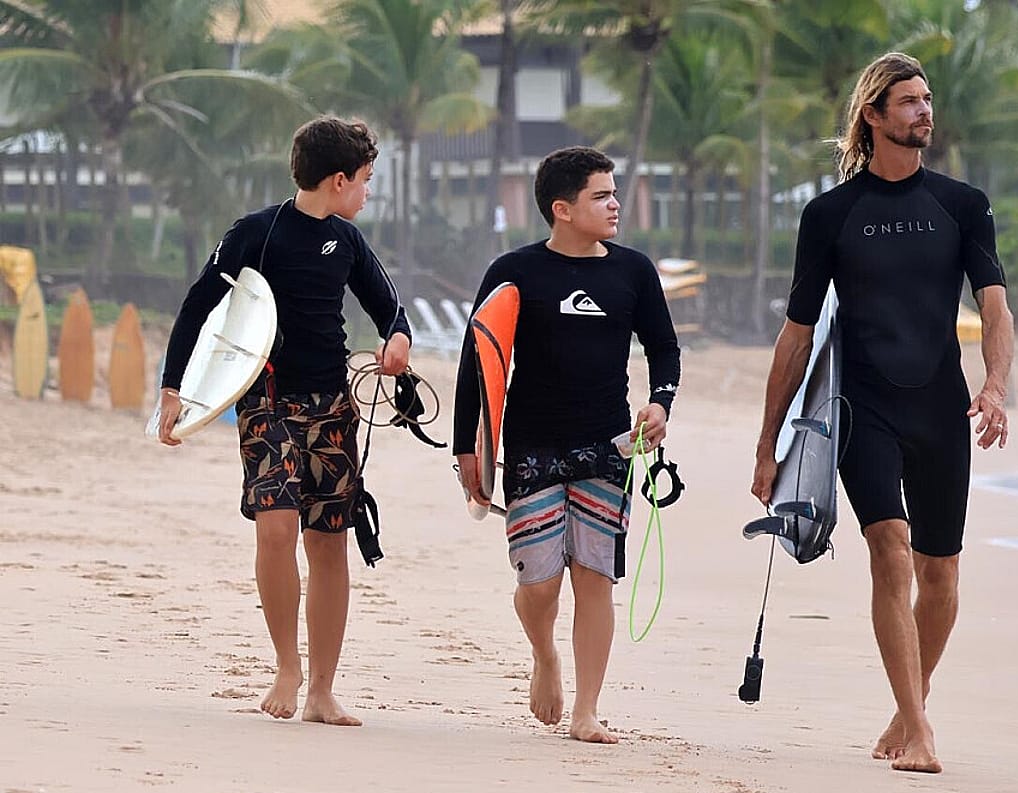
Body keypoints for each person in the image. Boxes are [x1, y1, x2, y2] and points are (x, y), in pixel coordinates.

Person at [751, 53, 1015, 773]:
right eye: (908, 101)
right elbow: (797, 333)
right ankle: (923, 731)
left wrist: (994, 385)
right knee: (890, 550)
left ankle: (907, 705)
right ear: (873, 114)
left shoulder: (963, 205)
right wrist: (767, 444)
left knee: (943, 576)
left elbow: (994, 305)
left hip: (940, 406)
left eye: (927, 100)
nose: (924, 112)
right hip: (862, 407)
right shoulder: (832, 214)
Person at [156, 116, 412, 727]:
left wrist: (398, 340)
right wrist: (173, 389)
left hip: (331, 405)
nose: (368, 192)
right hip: (266, 398)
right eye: (366, 181)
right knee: (275, 529)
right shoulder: (257, 232)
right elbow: (200, 305)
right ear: (339, 179)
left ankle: (322, 689)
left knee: (328, 542)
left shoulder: (347, 243)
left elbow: (388, 305)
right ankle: (287, 666)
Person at [453, 146, 681, 744]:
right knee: (539, 584)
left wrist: (660, 403)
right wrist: (466, 448)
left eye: (614, 192)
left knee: (593, 577)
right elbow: (475, 363)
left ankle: (587, 709)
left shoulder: (632, 271)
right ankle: (544, 654)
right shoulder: (514, 272)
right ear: (562, 209)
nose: (615, 205)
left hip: (607, 446)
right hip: (531, 446)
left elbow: (665, 351)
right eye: (601, 196)